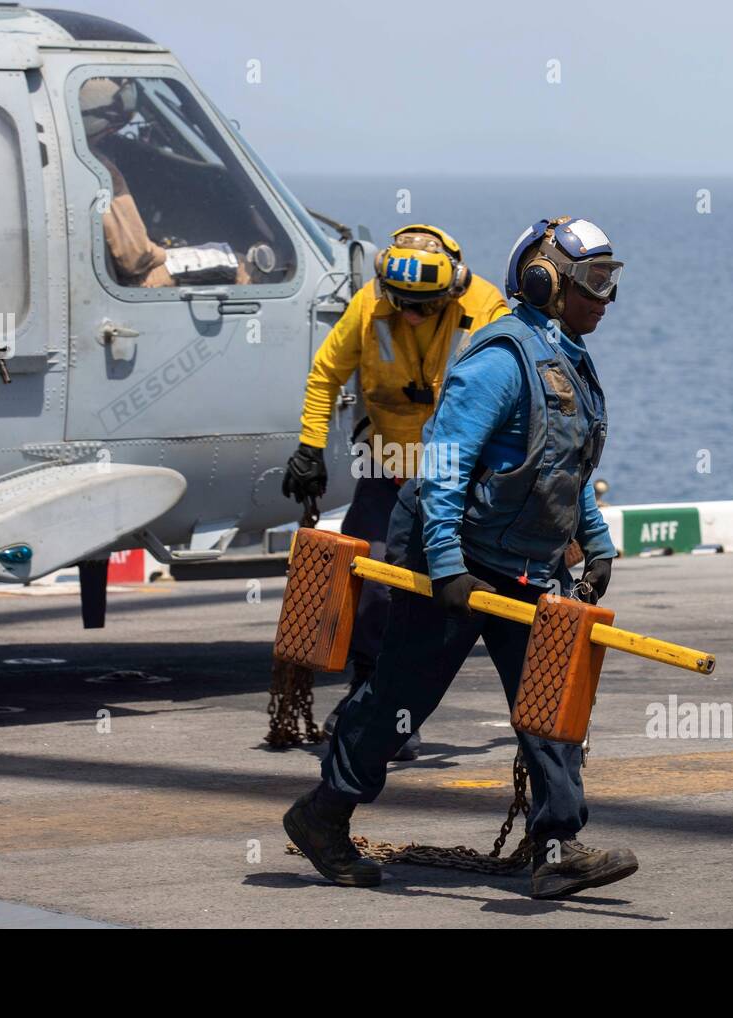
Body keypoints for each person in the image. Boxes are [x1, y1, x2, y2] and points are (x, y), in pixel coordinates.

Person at [284, 217, 635, 900]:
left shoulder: (565, 357)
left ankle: (556, 846)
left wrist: (595, 544)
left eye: (610, 280)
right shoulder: (501, 360)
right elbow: (444, 466)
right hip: (462, 557)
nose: (606, 297)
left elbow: (561, 466)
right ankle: (323, 815)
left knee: (549, 704)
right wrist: (444, 564)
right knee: (401, 699)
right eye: (595, 281)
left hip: (530, 566)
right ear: (544, 283)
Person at [281, 224, 508, 759]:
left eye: (422, 307)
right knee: (369, 580)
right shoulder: (369, 305)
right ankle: (367, 691)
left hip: (458, 472)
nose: (409, 314)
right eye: (401, 303)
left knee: (455, 597)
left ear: (451, 293)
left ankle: (408, 707)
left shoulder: (488, 311)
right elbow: (325, 375)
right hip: (388, 464)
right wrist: (310, 447)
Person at [79, 78, 249, 288]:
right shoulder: (97, 171)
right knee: (238, 263)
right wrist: (163, 251)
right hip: (128, 281)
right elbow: (134, 260)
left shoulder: (64, 156)